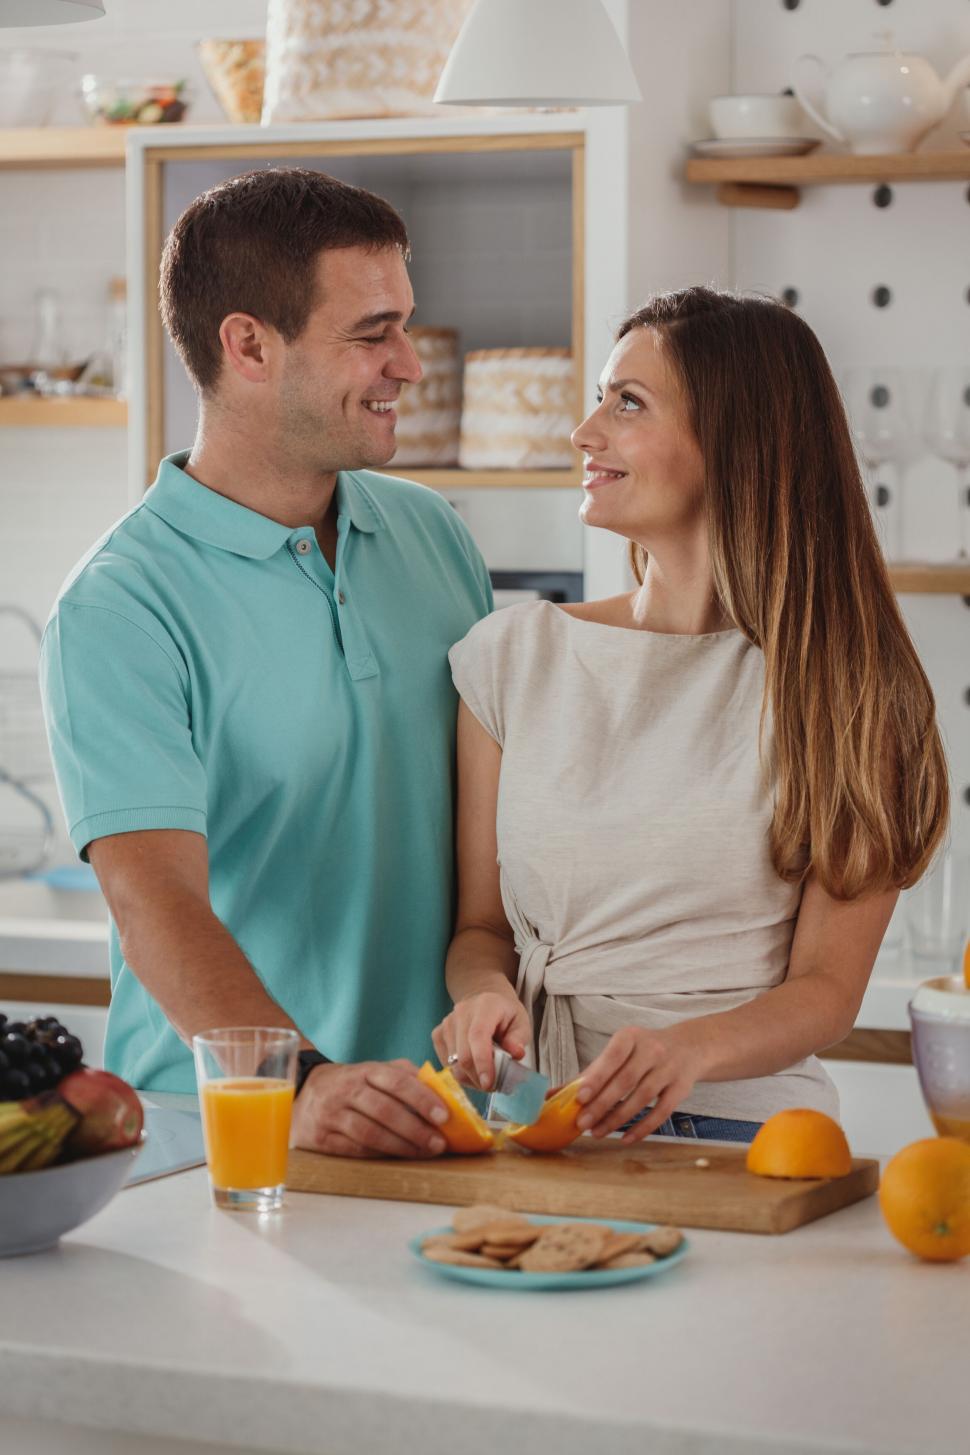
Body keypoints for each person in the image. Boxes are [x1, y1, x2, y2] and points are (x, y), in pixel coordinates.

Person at [40, 167, 493, 1159]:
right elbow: (152, 895)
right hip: (227, 1133)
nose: (408, 364)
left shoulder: (433, 537)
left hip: (439, 1122)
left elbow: (491, 833)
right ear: (248, 345)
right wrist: (302, 1082)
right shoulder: (121, 602)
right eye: (372, 332)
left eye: (404, 325)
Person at [433, 286, 949, 1144]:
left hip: (745, 1137)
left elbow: (827, 990)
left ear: (735, 441)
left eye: (626, 403)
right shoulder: (510, 657)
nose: (585, 431)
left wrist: (688, 1051)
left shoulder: (849, 691)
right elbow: (480, 930)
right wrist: (482, 993)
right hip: (534, 1122)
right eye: (599, 395)